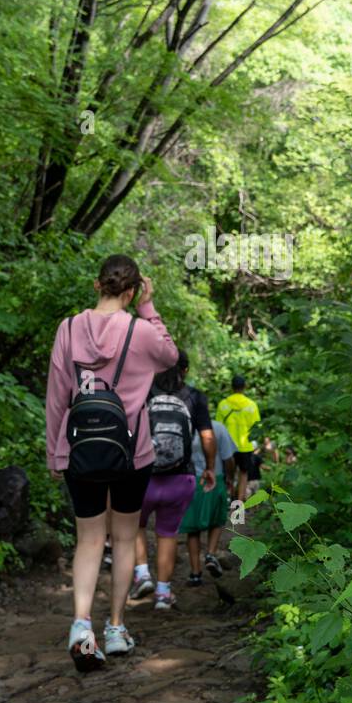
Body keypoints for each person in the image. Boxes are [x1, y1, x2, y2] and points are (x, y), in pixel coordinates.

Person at [45, 255, 178, 670]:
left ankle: (81, 627)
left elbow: (56, 395)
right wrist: (148, 309)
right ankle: (116, 629)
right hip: (131, 451)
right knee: (124, 538)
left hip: (79, 448)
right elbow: (172, 356)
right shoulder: (141, 332)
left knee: (88, 539)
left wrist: (54, 452)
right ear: (132, 290)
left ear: (95, 284)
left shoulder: (68, 328)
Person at [130, 352, 215, 610]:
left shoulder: (143, 393)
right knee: (167, 534)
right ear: (185, 370)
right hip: (181, 478)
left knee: (134, 525)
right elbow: (208, 437)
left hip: (142, 476)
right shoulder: (195, 397)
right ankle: (164, 594)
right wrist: (210, 468)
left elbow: (129, 429)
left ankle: (142, 573)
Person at [181, 416, 237, 584]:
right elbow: (229, 459)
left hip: (191, 481)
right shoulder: (218, 428)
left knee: (193, 529)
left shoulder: (183, 428)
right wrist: (230, 479)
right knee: (218, 520)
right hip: (216, 479)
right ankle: (210, 554)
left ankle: (195, 573)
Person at [216, 375, 261, 506]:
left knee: (228, 474)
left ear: (232, 387)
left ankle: (226, 500)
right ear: (244, 387)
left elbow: (218, 426)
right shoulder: (251, 405)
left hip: (227, 446)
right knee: (243, 472)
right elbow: (256, 427)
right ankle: (239, 502)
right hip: (245, 446)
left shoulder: (223, 404)